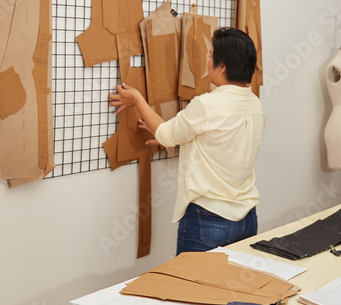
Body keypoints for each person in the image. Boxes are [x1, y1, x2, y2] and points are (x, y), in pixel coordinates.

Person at [109, 27, 265, 254]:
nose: (207, 60)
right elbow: (218, 141)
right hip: (246, 219)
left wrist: (137, 99)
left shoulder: (207, 105)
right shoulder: (255, 105)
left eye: (211, 55)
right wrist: (173, 137)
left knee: (189, 288)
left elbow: (165, 133)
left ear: (222, 66)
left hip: (208, 220)